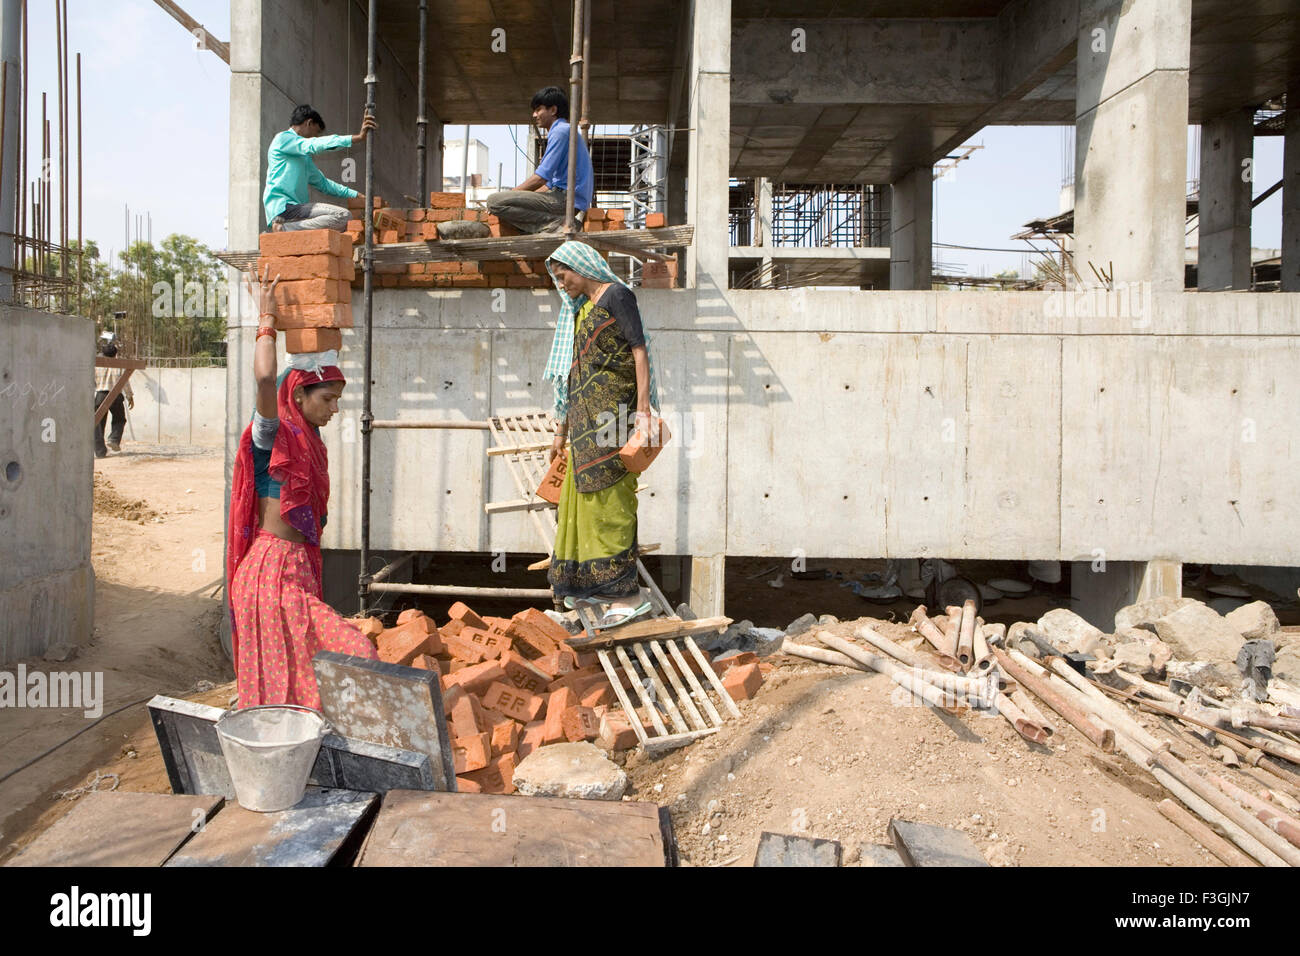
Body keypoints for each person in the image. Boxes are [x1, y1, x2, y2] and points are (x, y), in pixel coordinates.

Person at [226, 266, 377, 709]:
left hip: (296, 572)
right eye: (326, 399)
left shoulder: (310, 443)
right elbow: (263, 379)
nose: (334, 409)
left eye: (337, 400)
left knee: (298, 691)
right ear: (298, 395)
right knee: (356, 655)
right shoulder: (272, 437)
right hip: (270, 576)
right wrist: (267, 319)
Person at [543, 241, 662, 627]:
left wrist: (643, 411)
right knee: (582, 504)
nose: (563, 284)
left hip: (614, 419)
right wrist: (560, 431)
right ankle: (598, 592)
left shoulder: (617, 296)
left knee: (613, 503)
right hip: (582, 426)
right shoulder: (581, 312)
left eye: (566, 276)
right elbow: (573, 375)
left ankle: (628, 596)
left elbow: (639, 351)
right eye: (558, 279)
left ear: (584, 266)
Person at [487, 86, 594, 235]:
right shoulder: (564, 131)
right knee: (509, 207)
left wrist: (511, 194)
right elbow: (547, 185)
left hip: (566, 199)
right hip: (567, 197)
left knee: (494, 201)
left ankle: (557, 225)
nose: (534, 114)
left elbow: (540, 178)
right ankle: (555, 223)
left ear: (553, 110)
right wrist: (518, 197)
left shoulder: (560, 131)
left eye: (538, 110)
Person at [263, 104, 377, 232]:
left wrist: (356, 195)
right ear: (309, 123)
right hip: (282, 208)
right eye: (316, 132)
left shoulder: (303, 157)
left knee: (344, 221)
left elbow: (323, 184)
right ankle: (283, 229)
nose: (315, 137)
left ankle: (287, 229)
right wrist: (357, 138)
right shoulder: (283, 139)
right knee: (343, 216)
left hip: (296, 211)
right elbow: (313, 144)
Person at [93, 340, 133, 458]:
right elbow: (125, 381)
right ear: (115, 354)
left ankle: (100, 451)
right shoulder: (119, 365)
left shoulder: (97, 365)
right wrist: (130, 396)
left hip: (100, 394)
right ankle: (114, 439)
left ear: (103, 354)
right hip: (116, 395)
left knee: (97, 423)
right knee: (120, 419)